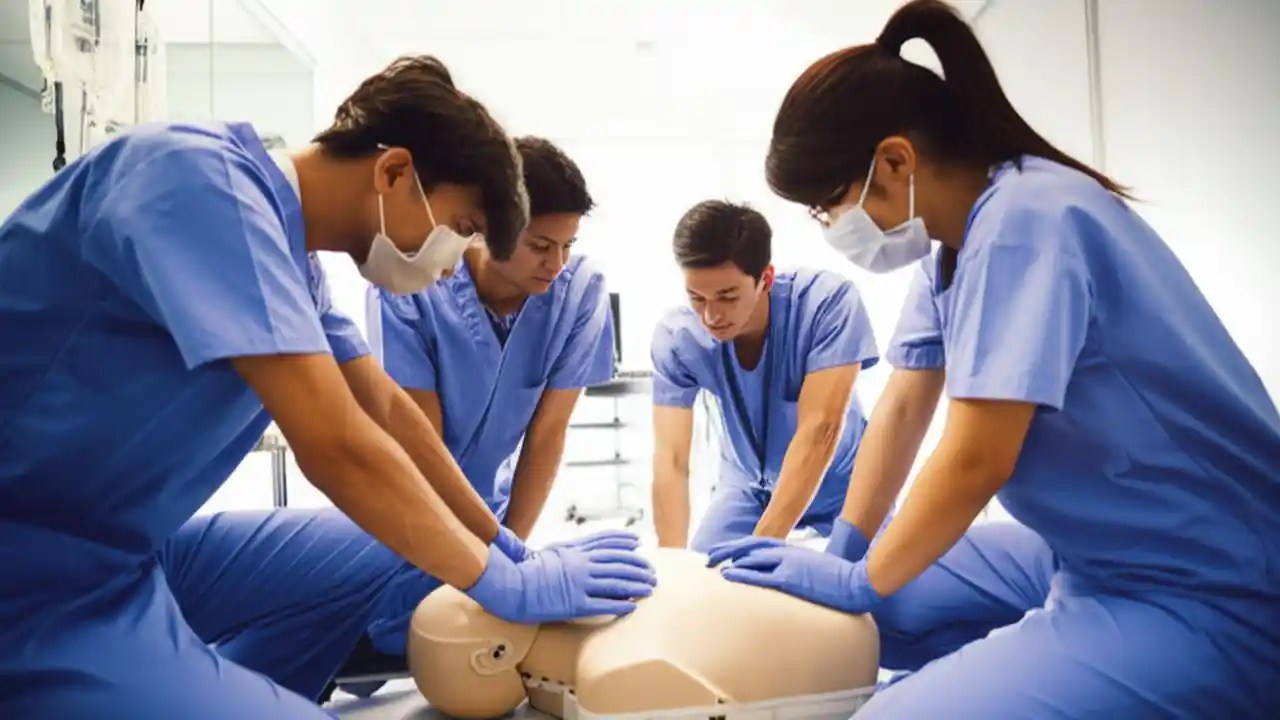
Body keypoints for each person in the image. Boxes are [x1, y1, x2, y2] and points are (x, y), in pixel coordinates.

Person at [0, 55, 655, 720]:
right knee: (423, 548)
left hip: (131, 553)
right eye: (461, 229)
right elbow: (338, 445)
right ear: (394, 172)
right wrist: (501, 583)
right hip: (29, 580)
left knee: (408, 547)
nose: (456, 257)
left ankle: (209, 677)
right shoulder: (197, 182)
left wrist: (499, 544)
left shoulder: (294, 255)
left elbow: (388, 411)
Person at [706, 1, 1280, 717]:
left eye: (830, 205)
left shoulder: (1026, 221)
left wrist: (861, 582)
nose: (832, 230)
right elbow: (905, 405)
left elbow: (977, 457)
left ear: (895, 160)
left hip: (1207, 585)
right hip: (1083, 551)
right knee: (846, 613)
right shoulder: (950, 242)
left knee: (880, 685)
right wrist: (845, 552)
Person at [340, 135, 614, 690]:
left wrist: (512, 557)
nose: (556, 264)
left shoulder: (580, 293)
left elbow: (546, 438)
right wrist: (487, 565)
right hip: (406, 503)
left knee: (466, 650)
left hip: (487, 513)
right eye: (540, 244)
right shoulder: (410, 284)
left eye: (567, 245)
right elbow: (419, 445)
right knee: (357, 654)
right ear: (488, 224)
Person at [650, 200, 879, 552]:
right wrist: (670, 563)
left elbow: (821, 430)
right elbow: (671, 459)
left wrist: (759, 548)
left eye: (727, 296)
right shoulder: (679, 337)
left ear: (765, 279)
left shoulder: (827, 303)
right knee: (701, 576)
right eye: (697, 297)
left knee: (881, 586)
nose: (711, 316)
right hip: (746, 488)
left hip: (844, 484)